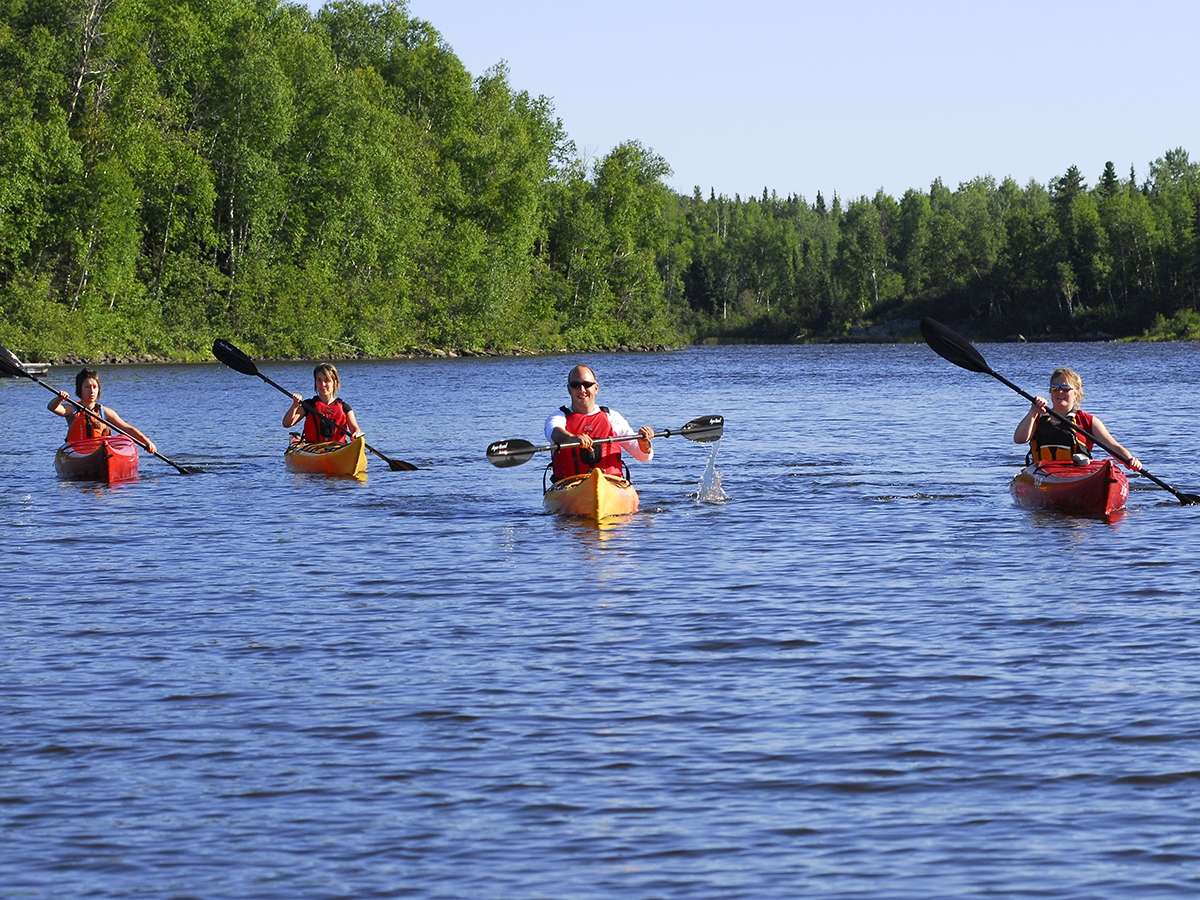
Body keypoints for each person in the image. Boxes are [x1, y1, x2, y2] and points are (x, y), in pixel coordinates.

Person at [1013, 367, 1141, 470]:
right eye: (1055, 388)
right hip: (1042, 474)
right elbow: (1019, 439)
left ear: (1076, 393)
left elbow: (1112, 446)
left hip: (1077, 473)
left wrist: (1129, 460)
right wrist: (1032, 411)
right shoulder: (1038, 416)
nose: (1060, 392)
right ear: (1050, 392)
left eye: (1065, 388)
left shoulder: (1088, 420)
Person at [544, 363, 654, 482]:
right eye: (575, 385)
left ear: (596, 388)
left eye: (587, 385)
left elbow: (643, 456)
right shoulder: (558, 416)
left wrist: (644, 443)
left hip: (610, 485)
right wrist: (572, 439)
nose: (582, 390)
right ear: (569, 389)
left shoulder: (612, 417)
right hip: (569, 486)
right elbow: (554, 433)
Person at [47, 368, 157, 454]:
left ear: (99, 389)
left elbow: (127, 428)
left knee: (122, 439)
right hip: (79, 452)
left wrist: (146, 442)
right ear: (80, 389)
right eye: (87, 387)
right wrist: (59, 398)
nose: (92, 391)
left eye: (95, 387)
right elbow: (53, 407)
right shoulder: (72, 409)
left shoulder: (106, 412)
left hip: (100, 451)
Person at [283, 363, 363, 444]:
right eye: (319, 380)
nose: (323, 384)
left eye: (327, 380)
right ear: (315, 382)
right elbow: (287, 424)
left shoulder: (344, 407)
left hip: (338, 448)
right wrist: (295, 405)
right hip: (312, 449)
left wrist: (356, 434)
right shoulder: (309, 404)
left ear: (335, 382)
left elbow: (355, 429)